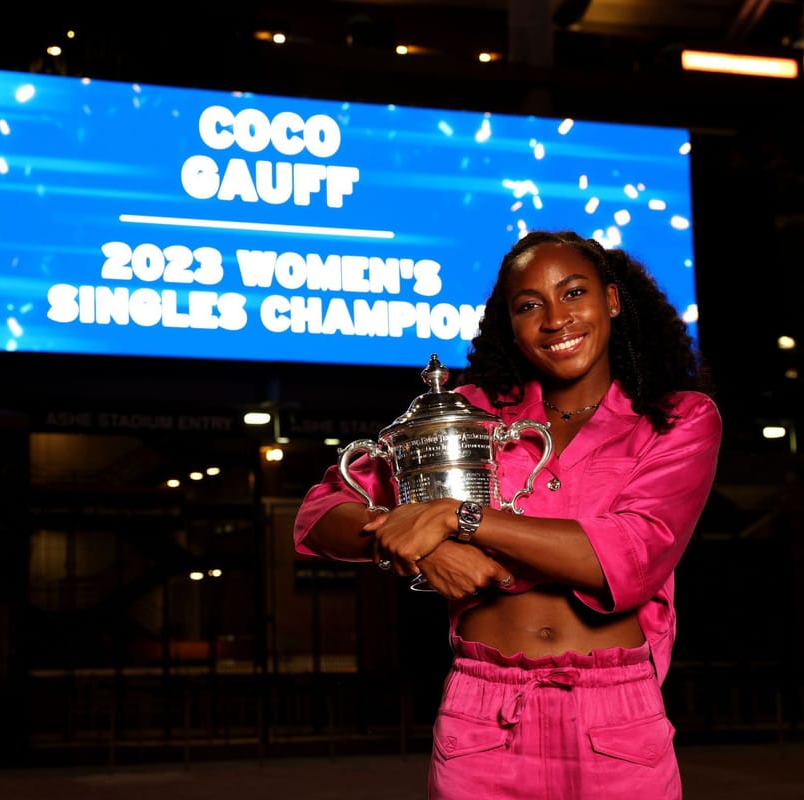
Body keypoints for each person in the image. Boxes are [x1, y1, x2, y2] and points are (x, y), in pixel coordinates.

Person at [292, 230, 721, 799]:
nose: (555, 319)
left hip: (615, 713)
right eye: (529, 305)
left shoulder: (677, 419)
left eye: (573, 294)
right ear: (509, 325)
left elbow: (628, 557)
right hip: (483, 710)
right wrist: (422, 545)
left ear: (612, 300)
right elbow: (321, 513)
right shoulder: (468, 415)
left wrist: (458, 518)